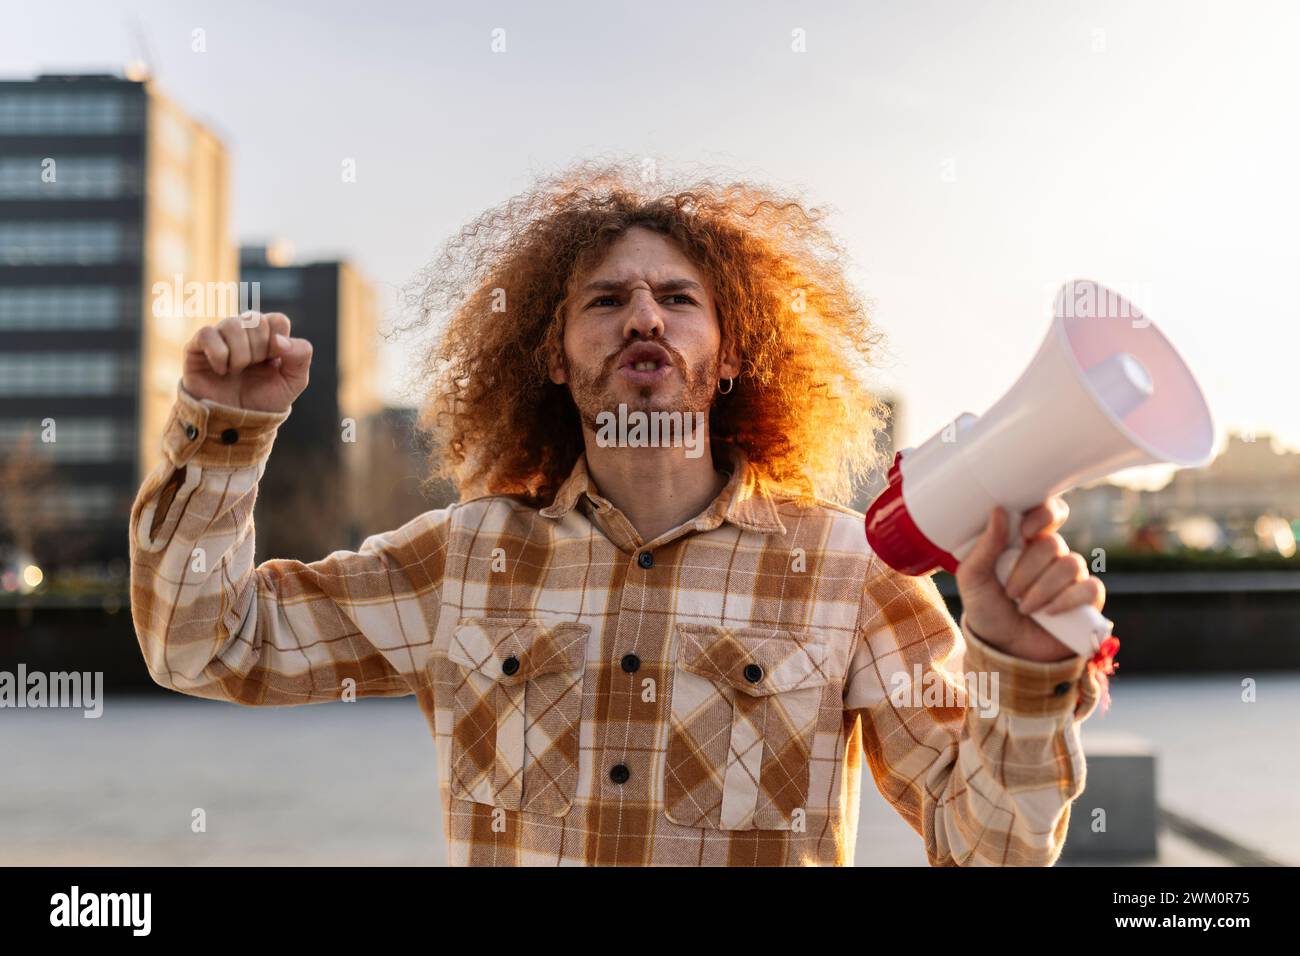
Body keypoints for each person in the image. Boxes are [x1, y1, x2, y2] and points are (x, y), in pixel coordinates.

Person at [129, 162, 1106, 866]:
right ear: (552, 357)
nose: (644, 316)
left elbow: (993, 853)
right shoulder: (461, 560)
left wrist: (1016, 669)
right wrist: (226, 431)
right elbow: (204, 643)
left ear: (728, 357)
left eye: (679, 297)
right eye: (606, 299)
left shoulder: (848, 570)